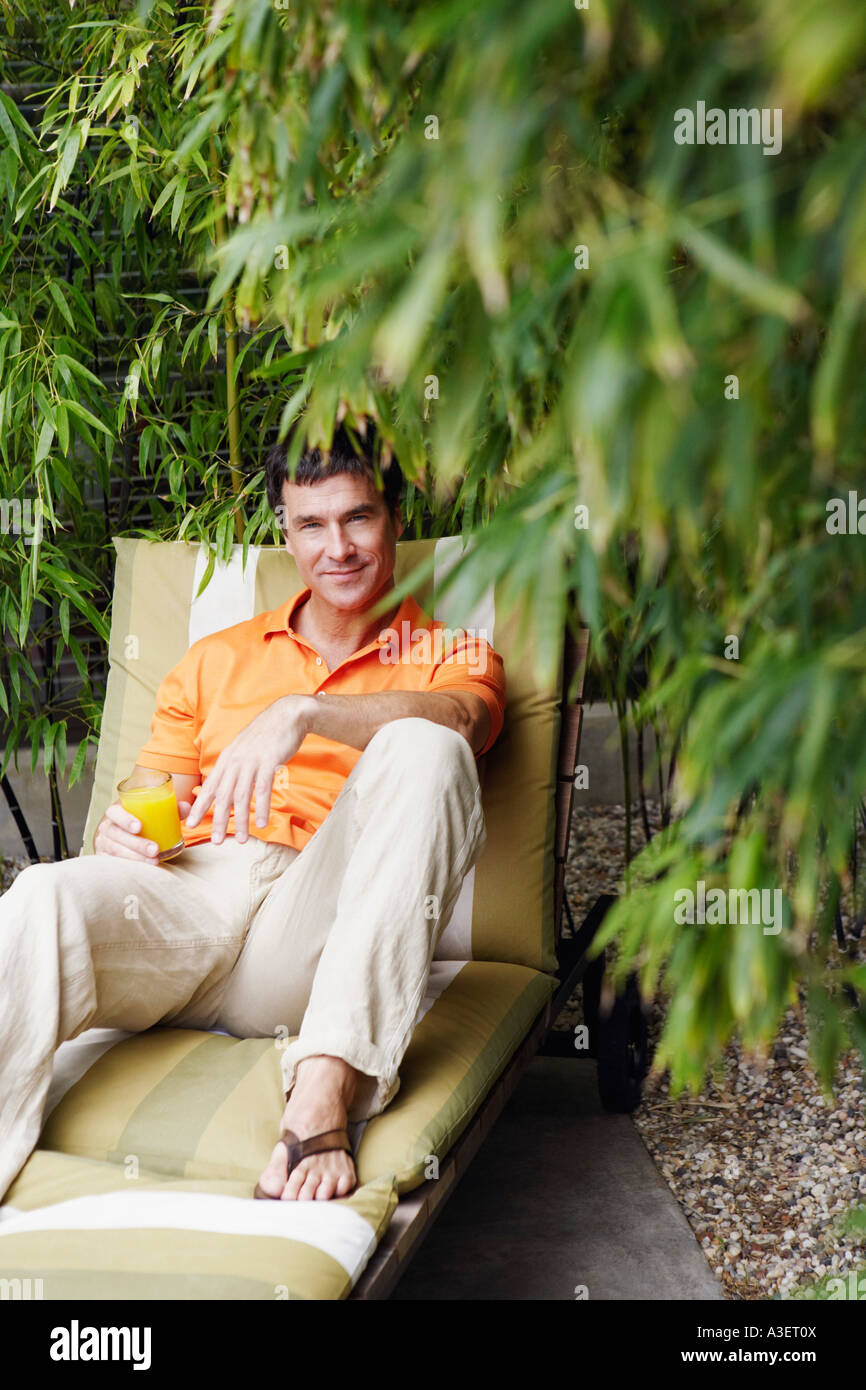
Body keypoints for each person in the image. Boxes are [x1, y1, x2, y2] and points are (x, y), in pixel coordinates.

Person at [0, 426, 506, 1205]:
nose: (337, 547)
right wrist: (121, 830)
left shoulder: (451, 654)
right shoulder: (215, 657)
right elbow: (148, 791)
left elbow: (464, 726)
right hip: (187, 901)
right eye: (312, 525)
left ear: (396, 518)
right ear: (285, 532)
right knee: (39, 892)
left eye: (358, 518)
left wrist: (306, 711)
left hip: (310, 931)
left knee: (427, 747)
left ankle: (321, 1098)